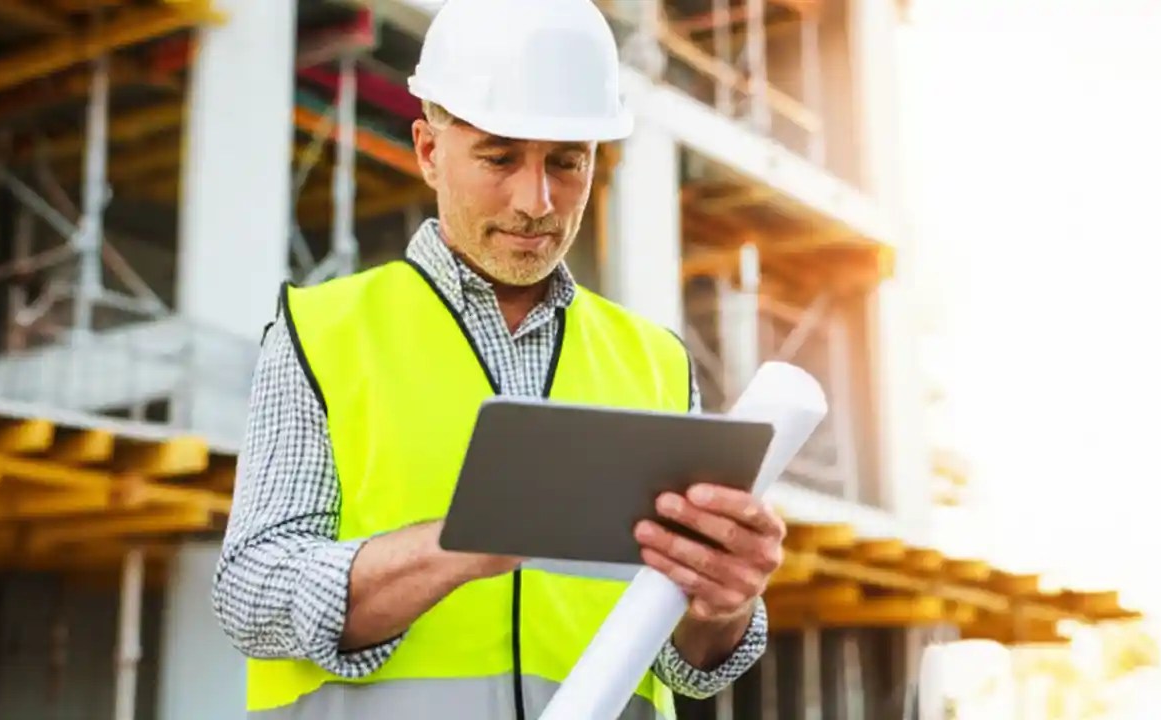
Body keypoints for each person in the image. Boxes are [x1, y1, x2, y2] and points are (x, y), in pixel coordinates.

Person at [212, 0, 787, 717]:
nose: (536, 201)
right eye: (500, 157)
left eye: (567, 163)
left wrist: (721, 602)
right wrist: (459, 546)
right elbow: (251, 595)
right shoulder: (323, 333)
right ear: (429, 150)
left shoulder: (656, 363)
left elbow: (689, 665)